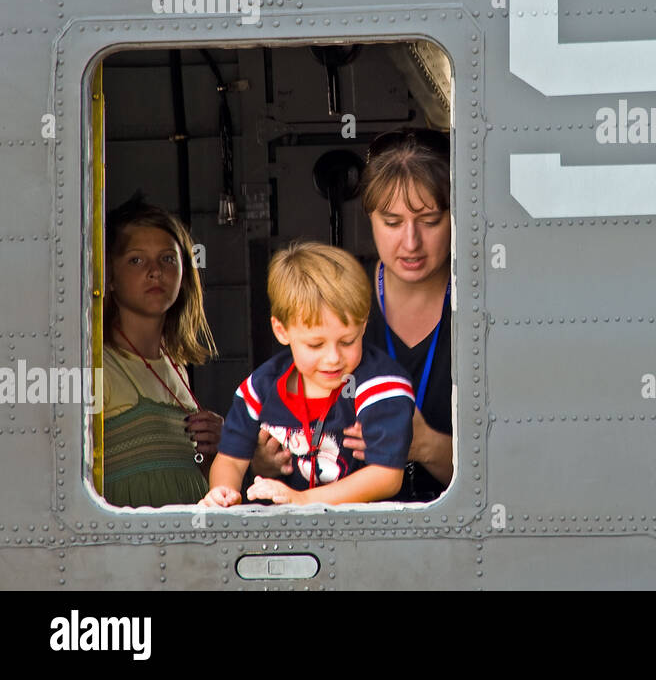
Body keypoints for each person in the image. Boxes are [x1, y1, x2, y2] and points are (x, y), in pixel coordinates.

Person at [253, 127, 453, 501]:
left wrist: (428, 446)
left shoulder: (487, 311)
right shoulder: (329, 301)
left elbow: (524, 472)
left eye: (429, 221)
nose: (411, 242)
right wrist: (268, 461)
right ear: (369, 217)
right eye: (392, 222)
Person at [200, 241, 414, 506]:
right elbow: (230, 460)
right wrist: (223, 492)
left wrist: (302, 500)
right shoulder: (259, 388)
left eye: (348, 341)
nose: (333, 358)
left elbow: (386, 476)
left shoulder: (380, 384)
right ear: (281, 331)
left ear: (364, 325)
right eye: (315, 344)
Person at [101, 194, 224, 507]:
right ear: (110, 277)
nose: (155, 271)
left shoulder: (176, 366)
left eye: (168, 259)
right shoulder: (98, 365)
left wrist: (219, 446)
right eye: (136, 260)